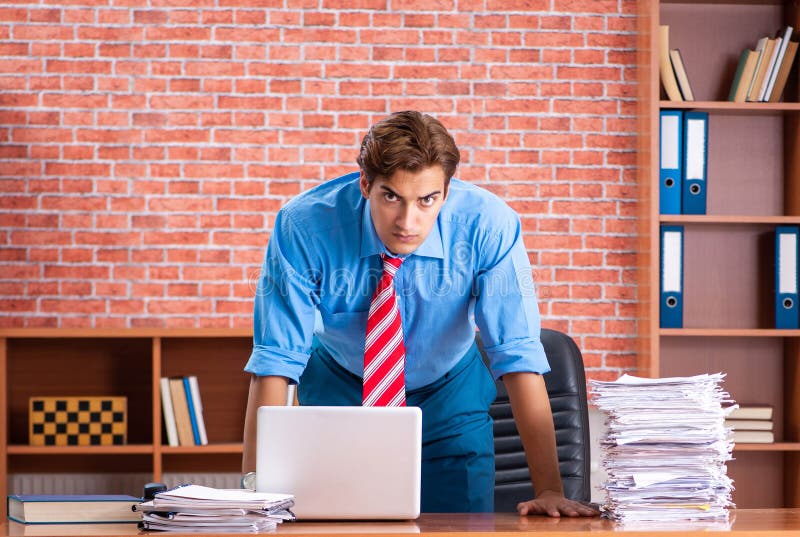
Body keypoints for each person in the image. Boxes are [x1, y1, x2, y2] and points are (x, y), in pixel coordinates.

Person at [241, 110, 598, 517]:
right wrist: (254, 495)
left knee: (460, 527)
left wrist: (551, 488)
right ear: (365, 185)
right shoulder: (303, 226)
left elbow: (517, 354)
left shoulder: (488, 225)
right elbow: (276, 361)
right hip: (339, 388)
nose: (407, 222)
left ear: (446, 192)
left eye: (427, 200)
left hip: (450, 395)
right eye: (391, 196)